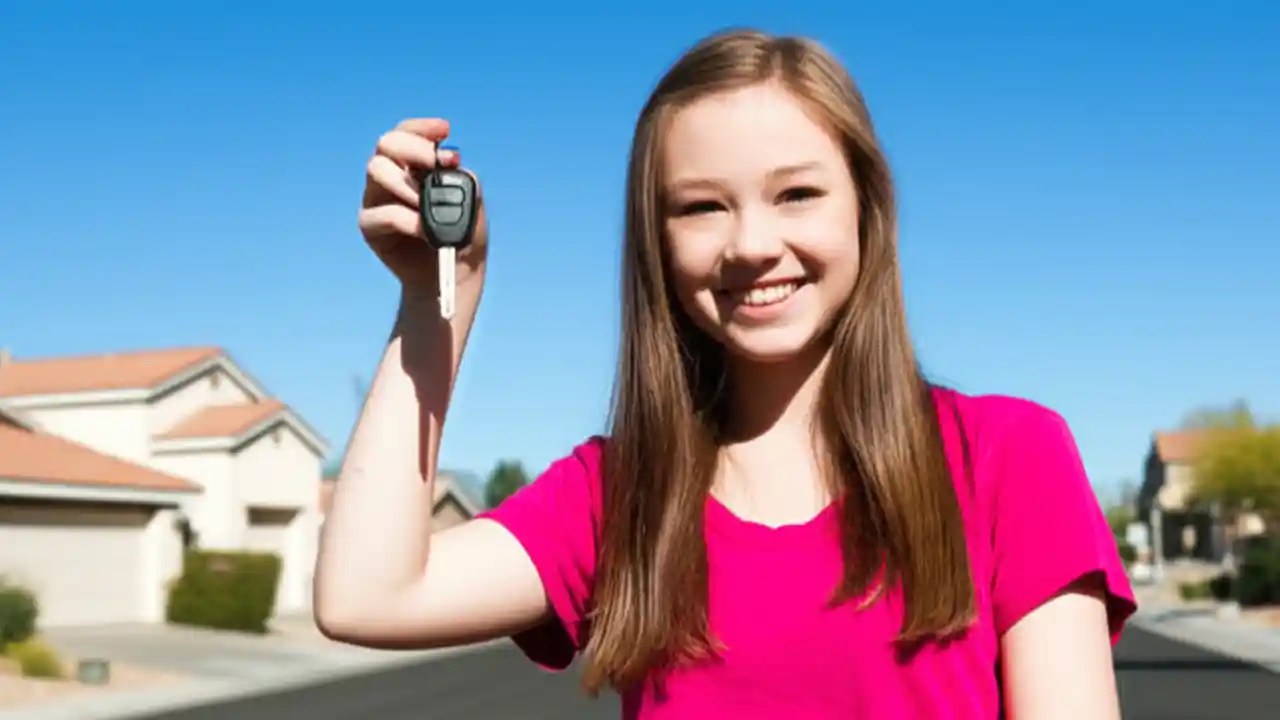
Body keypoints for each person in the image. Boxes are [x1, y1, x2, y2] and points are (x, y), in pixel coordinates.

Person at [314, 27, 1138, 719]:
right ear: (657, 242)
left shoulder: (1007, 455)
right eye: (702, 206)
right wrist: (436, 297)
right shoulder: (619, 494)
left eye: (796, 194)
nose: (750, 243)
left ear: (866, 209)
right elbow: (366, 596)